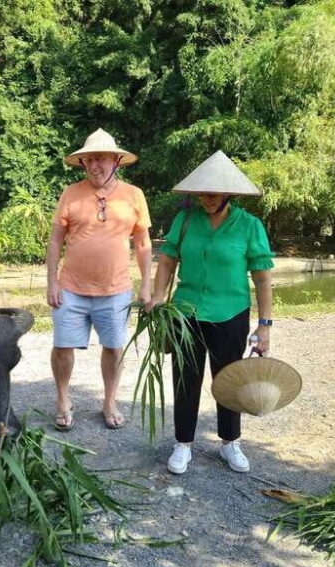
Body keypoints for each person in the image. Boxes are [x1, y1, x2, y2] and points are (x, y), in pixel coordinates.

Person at [145, 151, 274, 474]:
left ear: (229, 193)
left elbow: (262, 277)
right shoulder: (186, 220)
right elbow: (168, 259)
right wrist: (159, 297)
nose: (205, 199)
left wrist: (265, 325)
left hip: (231, 313)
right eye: (201, 193)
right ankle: (183, 443)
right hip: (186, 313)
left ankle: (230, 442)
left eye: (212, 193)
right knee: (185, 379)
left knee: (228, 379)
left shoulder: (249, 226)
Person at [46, 128, 152, 430]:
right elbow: (55, 241)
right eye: (89, 159)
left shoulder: (134, 195)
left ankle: (109, 401)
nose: (95, 165)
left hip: (115, 289)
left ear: (116, 161)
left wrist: (146, 285)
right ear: (82, 163)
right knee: (63, 346)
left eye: (102, 159)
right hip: (71, 288)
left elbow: (143, 244)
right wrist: (52, 282)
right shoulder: (71, 193)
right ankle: (63, 399)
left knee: (114, 347)